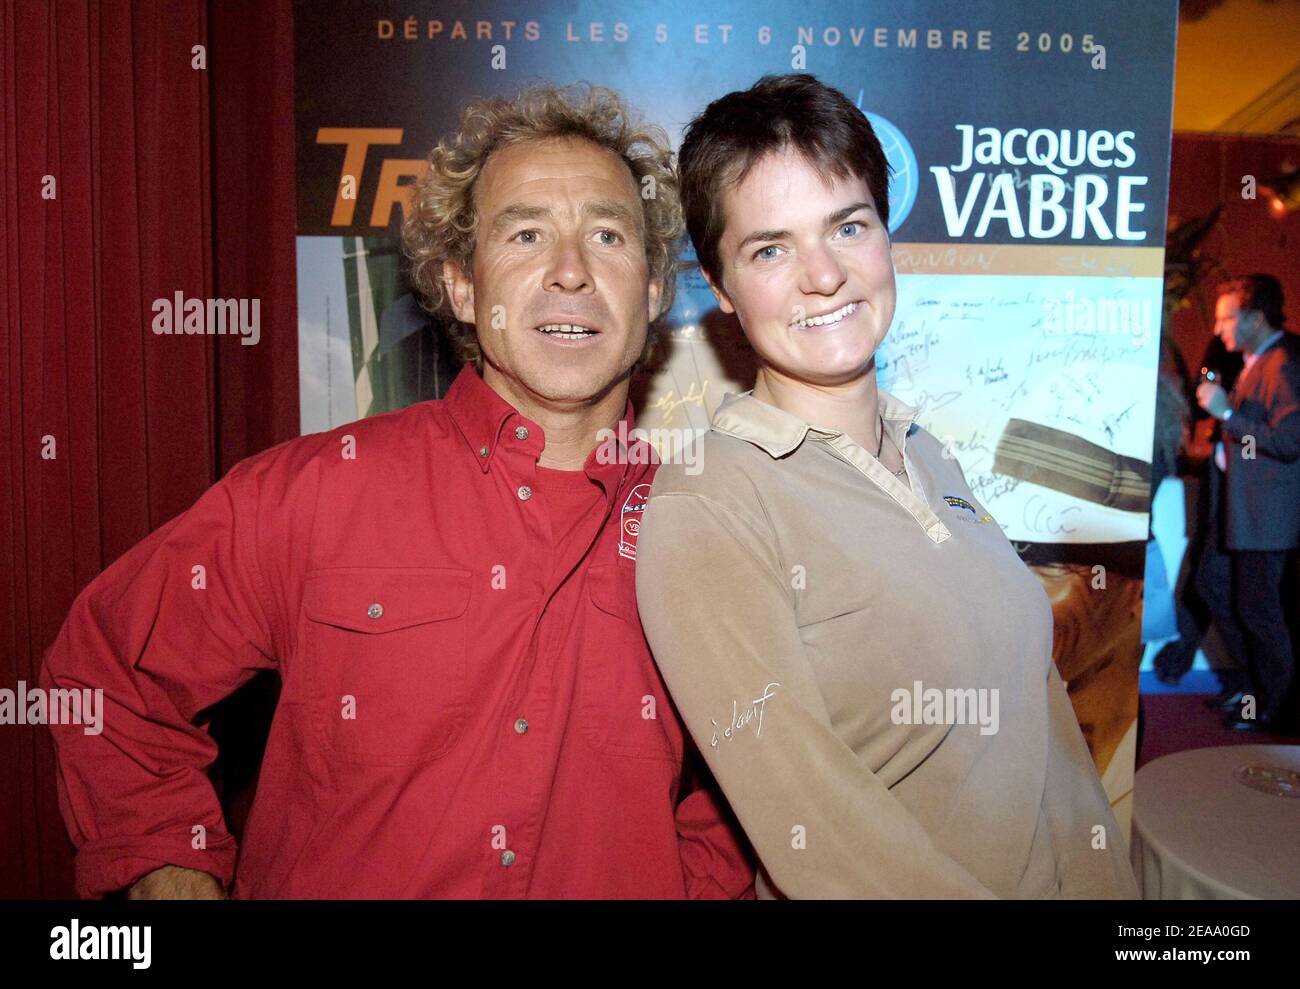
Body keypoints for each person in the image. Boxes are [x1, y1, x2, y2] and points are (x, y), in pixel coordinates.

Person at [40, 82, 754, 899]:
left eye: (606, 234)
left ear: (654, 289)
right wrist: (172, 869)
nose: (570, 272)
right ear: (461, 286)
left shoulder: (710, 531)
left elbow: (763, 773)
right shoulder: (313, 493)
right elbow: (107, 672)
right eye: (526, 233)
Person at [635, 74, 1139, 898]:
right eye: (770, 249)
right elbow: (826, 847)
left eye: (848, 226)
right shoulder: (709, 506)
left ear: (886, 235)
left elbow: (1045, 724)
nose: (824, 274)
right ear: (720, 288)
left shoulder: (929, 453)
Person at [1194, 274, 1300, 733]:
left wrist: (1227, 414)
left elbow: (1289, 441)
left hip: (1266, 518)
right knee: (1217, 588)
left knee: (1260, 612)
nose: (1217, 328)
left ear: (1255, 318)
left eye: (1226, 318)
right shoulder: (1260, 361)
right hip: (1244, 514)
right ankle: (1258, 690)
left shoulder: (1283, 363)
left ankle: (1278, 708)